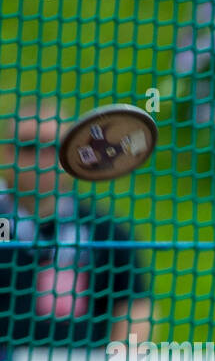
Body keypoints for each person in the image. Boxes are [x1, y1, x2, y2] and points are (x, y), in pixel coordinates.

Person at [0, 100, 152, 347]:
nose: (42, 158)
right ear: (8, 152)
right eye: (28, 147)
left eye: (54, 147)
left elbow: (135, 307)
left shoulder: (104, 231)